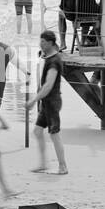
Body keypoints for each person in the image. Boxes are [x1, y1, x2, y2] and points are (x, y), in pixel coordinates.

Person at [27, 29, 68, 175]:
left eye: (43, 42)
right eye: (40, 41)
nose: (40, 44)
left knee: (54, 134)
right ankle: (44, 164)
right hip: (46, 102)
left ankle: (63, 166)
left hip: (52, 102)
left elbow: (48, 85)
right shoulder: (48, 57)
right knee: (38, 131)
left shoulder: (54, 62)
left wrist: (33, 100)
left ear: (50, 43)